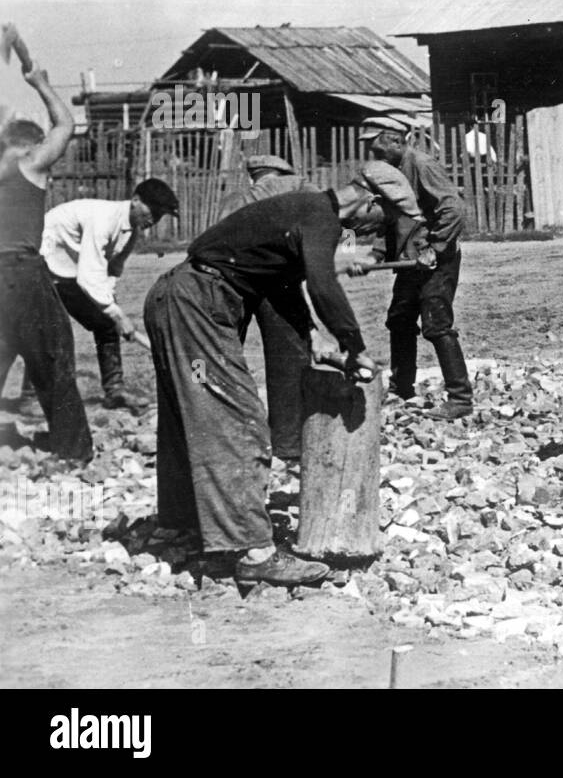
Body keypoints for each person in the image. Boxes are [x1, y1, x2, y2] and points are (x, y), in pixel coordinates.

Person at [143, 184, 379, 586]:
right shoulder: (322, 214)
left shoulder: (296, 211)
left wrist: (314, 339)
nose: (372, 229)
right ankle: (256, 552)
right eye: (381, 218)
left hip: (175, 300)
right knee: (238, 421)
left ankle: (182, 524)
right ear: (370, 201)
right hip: (195, 310)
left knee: (194, 409)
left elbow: (282, 290)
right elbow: (323, 286)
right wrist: (355, 346)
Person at [0, 35, 93, 461]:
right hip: (20, 274)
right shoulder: (29, 163)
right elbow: (66, 126)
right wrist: (38, 82)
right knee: (55, 357)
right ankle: (73, 451)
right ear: (27, 144)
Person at [361, 120, 473, 418]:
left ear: (396, 142)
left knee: (436, 323)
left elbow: (454, 209)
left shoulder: (423, 165)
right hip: (411, 262)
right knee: (399, 320)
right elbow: (390, 219)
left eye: (377, 150)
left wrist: (435, 248)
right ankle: (401, 390)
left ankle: (460, 399)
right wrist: (374, 255)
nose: (373, 157)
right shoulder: (390, 174)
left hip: (437, 261)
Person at [35, 181, 180, 411]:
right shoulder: (104, 218)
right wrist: (118, 314)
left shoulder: (131, 231)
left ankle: (115, 391)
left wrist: (112, 307)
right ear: (135, 201)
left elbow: (112, 269)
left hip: (72, 268)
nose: (154, 219)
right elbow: (89, 276)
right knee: (46, 331)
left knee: (106, 324)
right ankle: (26, 397)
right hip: (42, 262)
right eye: (152, 210)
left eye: (160, 214)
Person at [216, 154, 318, 459]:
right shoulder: (296, 184)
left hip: (231, 279)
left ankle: (224, 436)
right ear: (282, 172)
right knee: (290, 354)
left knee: (220, 353)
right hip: (277, 278)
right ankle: (288, 442)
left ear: (253, 176)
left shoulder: (232, 200)